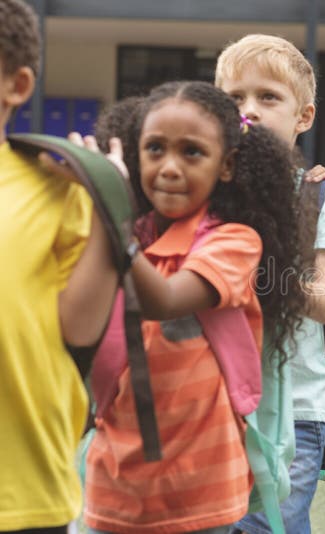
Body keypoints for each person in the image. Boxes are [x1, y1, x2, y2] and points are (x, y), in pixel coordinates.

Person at [82, 81, 310, 533]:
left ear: (225, 166)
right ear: (133, 156)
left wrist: (111, 214)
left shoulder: (234, 241)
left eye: (191, 153)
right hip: (115, 479)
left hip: (200, 485)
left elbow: (163, 300)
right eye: (155, 149)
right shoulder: (122, 239)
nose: (169, 167)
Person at [215, 34, 325, 534]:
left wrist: (256, 256)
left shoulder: (324, 195)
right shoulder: (203, 184)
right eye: (234, 98)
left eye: (268, 97)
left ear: (304, 116)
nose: (248, 110)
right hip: (208, 398)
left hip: (294, 405)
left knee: (267, 526)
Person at [0, 0, 118, 531]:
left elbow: (80, 327)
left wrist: (110, 207)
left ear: (17, 85)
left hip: (23, 488)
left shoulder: (58, 187)